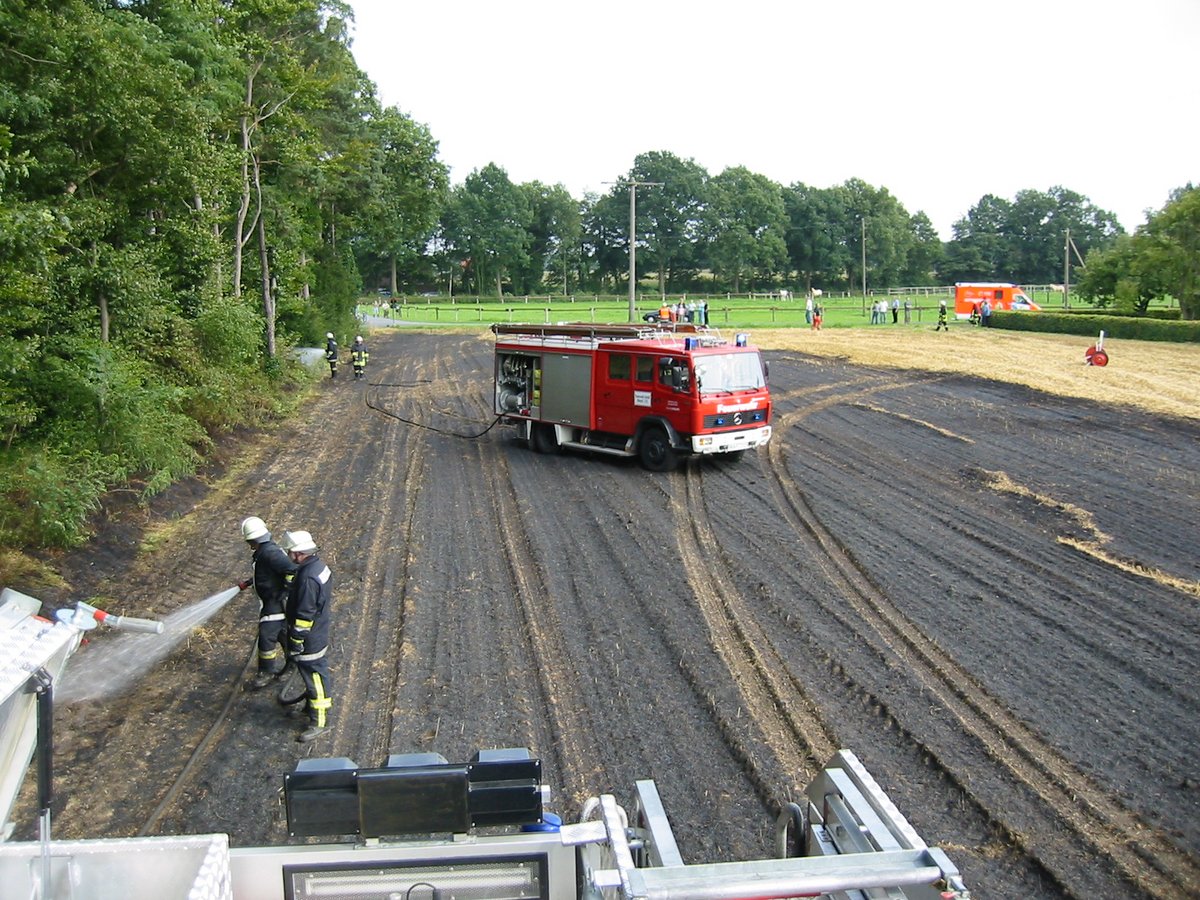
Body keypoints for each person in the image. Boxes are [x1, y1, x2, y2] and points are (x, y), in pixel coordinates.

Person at [280, 530, 334, 742]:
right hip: (319, 631)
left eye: (290, 552)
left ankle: (319, 722)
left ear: (299, 554)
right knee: (311, 676)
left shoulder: (308, 579)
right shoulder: (319, 567)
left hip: (310, 638)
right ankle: (309, 709)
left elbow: (304, 615)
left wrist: (296, 642)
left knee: (316, 680)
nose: (288, 556)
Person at [237, 517, 298, 690]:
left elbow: (292, 570)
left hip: (275, 602)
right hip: (273, 600)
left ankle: (267, 672)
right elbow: (268, 573)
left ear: (253, 540)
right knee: (283, 634)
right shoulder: (266, 552)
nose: (249, 545)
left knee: (266, 636)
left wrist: (285, 590)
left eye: (250, 541)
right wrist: (249, 582)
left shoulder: (270, 553)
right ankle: (293, 663)